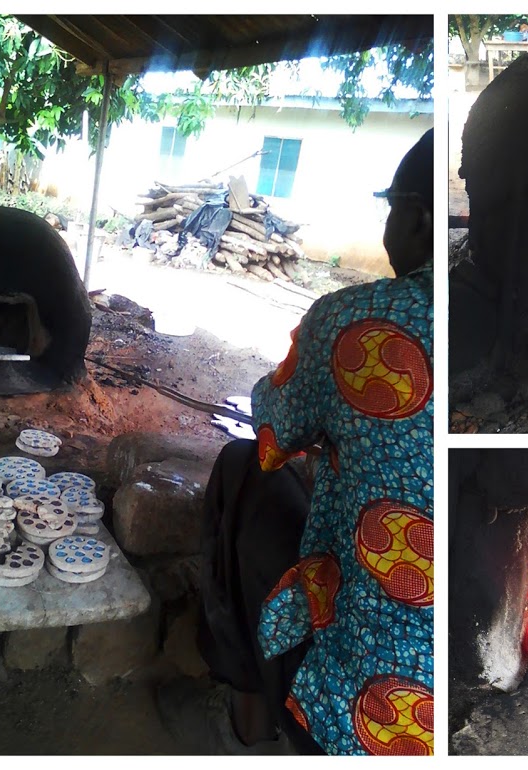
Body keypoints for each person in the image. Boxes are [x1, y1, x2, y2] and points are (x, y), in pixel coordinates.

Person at [165, 129, 436, 755]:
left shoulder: (351, 321)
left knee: (240, 469)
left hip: (364, 696)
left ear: (418, 218)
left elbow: (271, 436)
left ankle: (248, 723)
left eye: (392, 209)